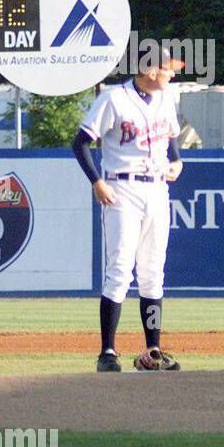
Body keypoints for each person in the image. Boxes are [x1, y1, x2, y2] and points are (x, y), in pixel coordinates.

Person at [72, 48, 184, 372]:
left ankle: (153, 351)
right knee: (119, 269)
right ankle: (107, 352)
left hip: (157, 188)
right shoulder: (114, 98)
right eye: (168, 68)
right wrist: (96, 181)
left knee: (153, 272)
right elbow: (80, 142)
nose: (172, 74)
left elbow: (170, 138)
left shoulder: (166, 98)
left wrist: (176, 160)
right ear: (150, 70)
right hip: (122, 188)